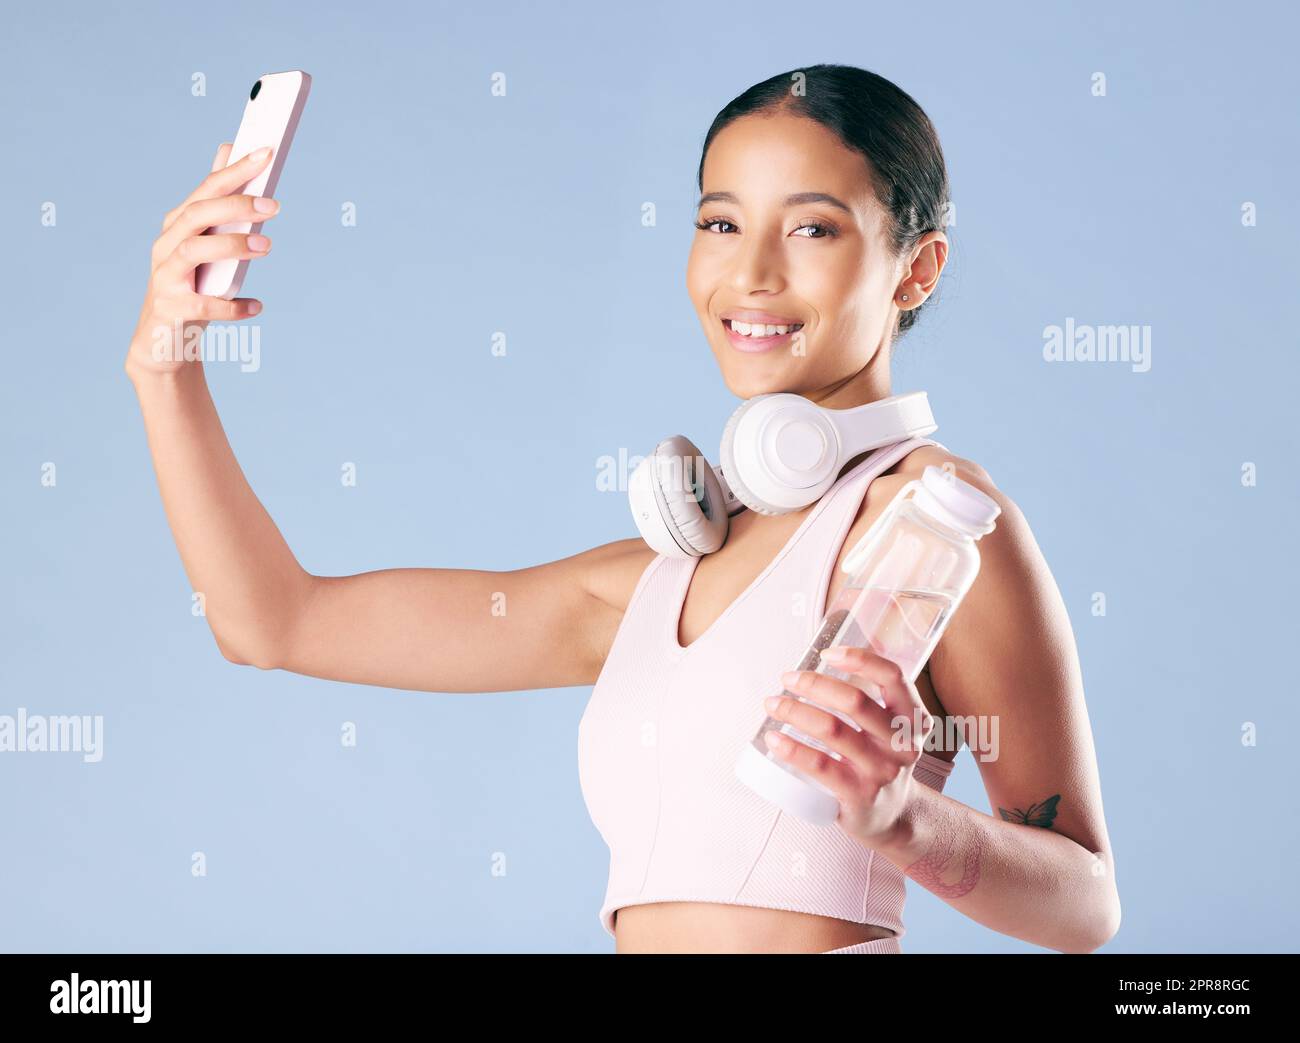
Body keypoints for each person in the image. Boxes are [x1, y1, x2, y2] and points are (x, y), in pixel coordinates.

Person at [124, 63, 1120, 954]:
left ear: (917, 267)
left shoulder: (938, 529)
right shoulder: (656, 573)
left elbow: (1083, 902)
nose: (751, 273)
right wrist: (161, 372)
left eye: (811, 226)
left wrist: (905, 818)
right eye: (719, 222)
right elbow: (270, 621)